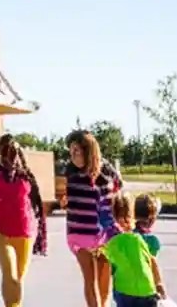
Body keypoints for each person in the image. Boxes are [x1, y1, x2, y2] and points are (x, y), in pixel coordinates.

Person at [0, 134, 48, 307]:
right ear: (1, 153)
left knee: (17, 280)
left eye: (13, 152)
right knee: (10, 274)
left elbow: (38, 205)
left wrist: (41, 232)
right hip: (0, 234)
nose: (9, 157)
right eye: (6, 151)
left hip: (24, 235)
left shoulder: (26, 176)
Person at [65, 129, 124, 307]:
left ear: (88, 151)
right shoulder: (70, 171)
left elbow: (119, 186)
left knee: (104, 280)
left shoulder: (106, 172)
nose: (72, 155)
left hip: (104, 235)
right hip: (79, 234)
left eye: (76, 150)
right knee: (89, 280)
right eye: (71, 151)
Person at [101, 192, 167, 306]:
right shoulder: (143, 240)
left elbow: (108, 269)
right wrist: (159, 283)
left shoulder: (112, 244)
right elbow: (152, 261)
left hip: (124, 290)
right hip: (146, 288)